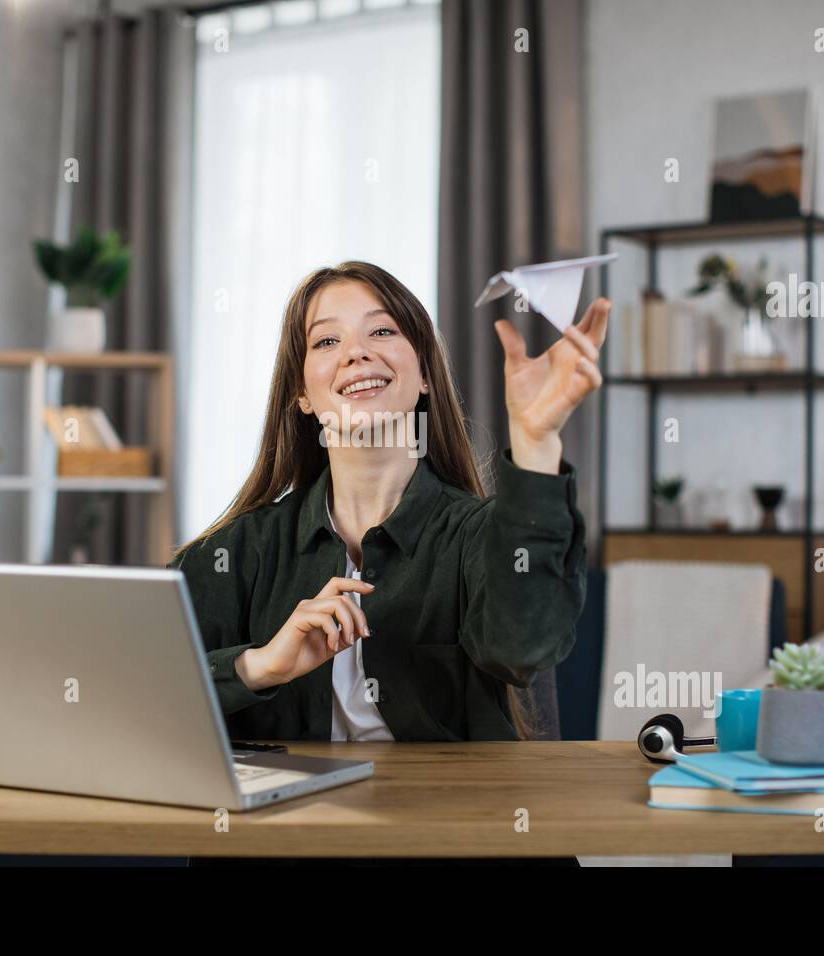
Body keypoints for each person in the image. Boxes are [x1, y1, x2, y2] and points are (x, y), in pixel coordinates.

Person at [170, 261, 610, 866]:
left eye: (382, 332)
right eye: (327, 341)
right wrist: (259, 666)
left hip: (454, 849)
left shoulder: (482, 534)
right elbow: (149, 706)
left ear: (424, 372)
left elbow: (525, 647)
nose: (355, 354)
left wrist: (536, 443)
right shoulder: (234, 552)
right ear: (300, 393)